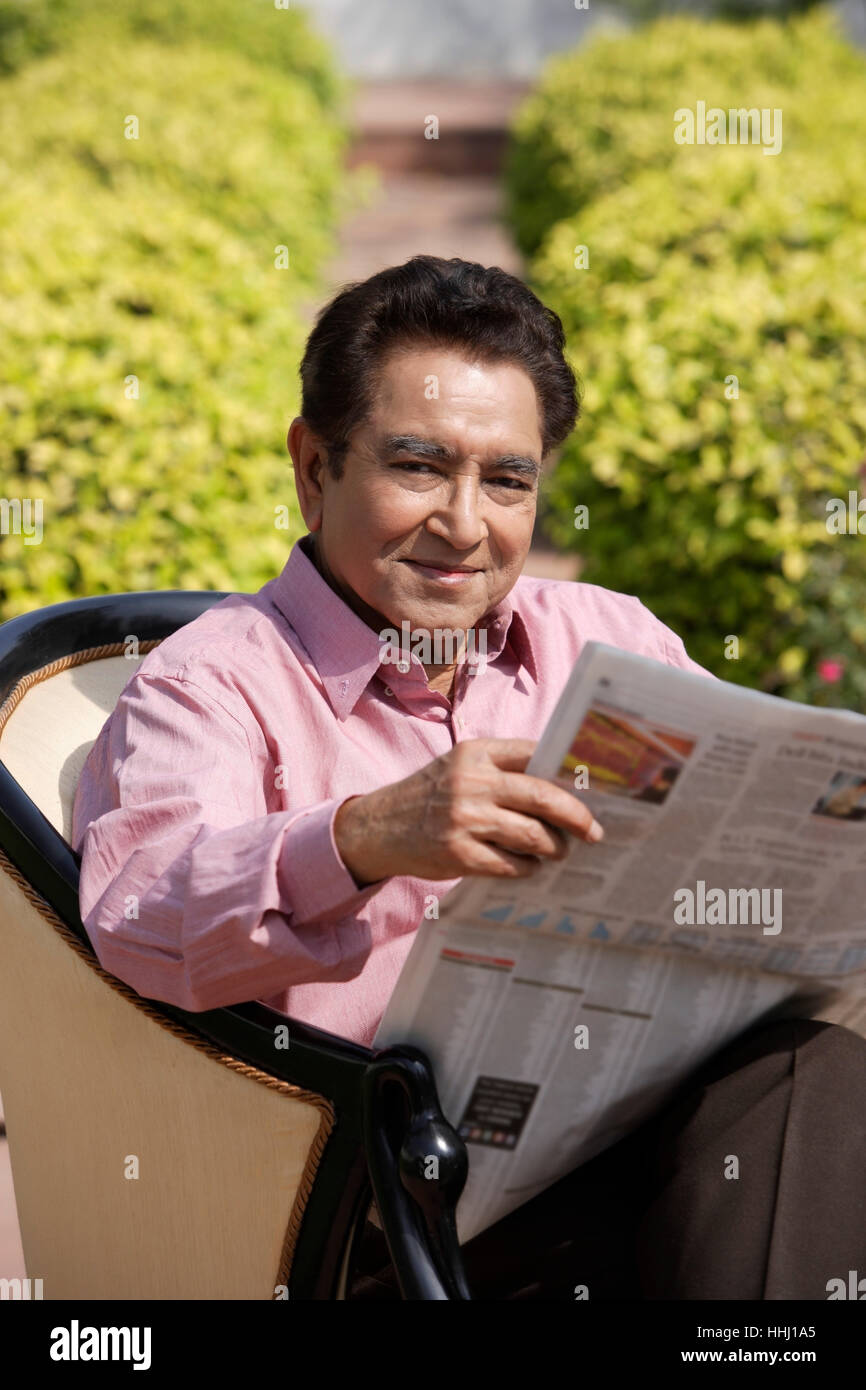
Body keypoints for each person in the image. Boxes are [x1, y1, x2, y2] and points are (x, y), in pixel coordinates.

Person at [72, 255, 866, 1300]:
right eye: (416, 466)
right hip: (375, 1202)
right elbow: (139, 917)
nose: (463, 524)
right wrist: (357, 837)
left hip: (627, 1121)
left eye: (506, 480)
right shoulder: (208, 686)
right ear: (313, 467)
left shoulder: (605, 638)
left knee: (809, 1070)